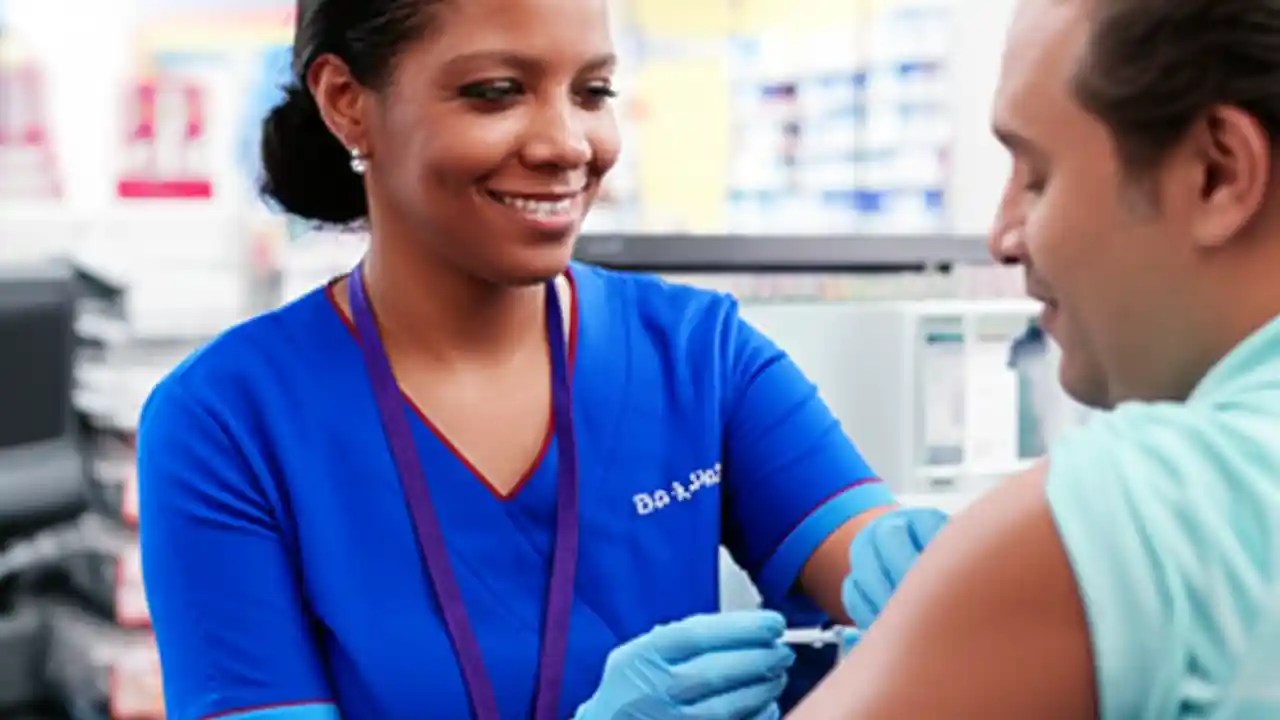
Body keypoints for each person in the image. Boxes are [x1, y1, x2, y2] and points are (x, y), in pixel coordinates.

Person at [134, 1, 946, 719]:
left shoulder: (700, 359)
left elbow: (897, 581)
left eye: (592, 92)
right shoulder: (227, 425)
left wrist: (953, 572)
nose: (567, 144)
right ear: (348, 103)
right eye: (495, 92)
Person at [788, 0, 1280, 717]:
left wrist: (999, 579)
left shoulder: (1139, 513)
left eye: (1039, 176)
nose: (1003, 235)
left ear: (1218, 171)